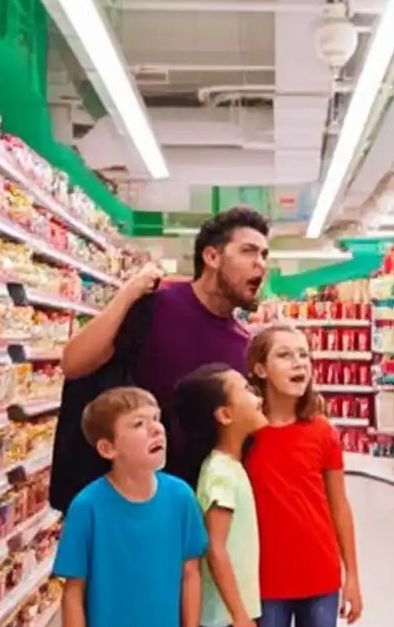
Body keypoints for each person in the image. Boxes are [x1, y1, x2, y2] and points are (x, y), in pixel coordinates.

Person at [51, 206, 270, 513]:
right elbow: (73, 364)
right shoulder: (154, 306)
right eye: (248, 251)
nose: (261, 264)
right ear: (211, 256)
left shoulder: (242, 346)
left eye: (264, 255)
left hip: (191, 510)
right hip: (123, 502)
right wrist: (127, 294)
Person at [51, 387, 208, 627]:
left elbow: (191, 575)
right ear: (107, 448)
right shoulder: (87, 507)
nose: (156, 429)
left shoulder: (181, 497)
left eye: (156, 419)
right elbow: (72, 596)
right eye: (138, 424)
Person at [243, 325, 363, 627]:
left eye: (304, 354)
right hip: (265, 581)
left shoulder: (323, 432)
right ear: (259, 368)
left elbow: (339, 505)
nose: (299, 363)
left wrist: (352, 576)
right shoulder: (246, 435)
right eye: (285, 355)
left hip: (320, 577)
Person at [172, 364, 268, 627]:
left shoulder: (227, 466)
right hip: (217, 617)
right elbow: (215, 548)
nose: (256, 396)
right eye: (246, 390)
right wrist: (240, 615)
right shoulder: (221, 473)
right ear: (225, 415)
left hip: (221, 615)